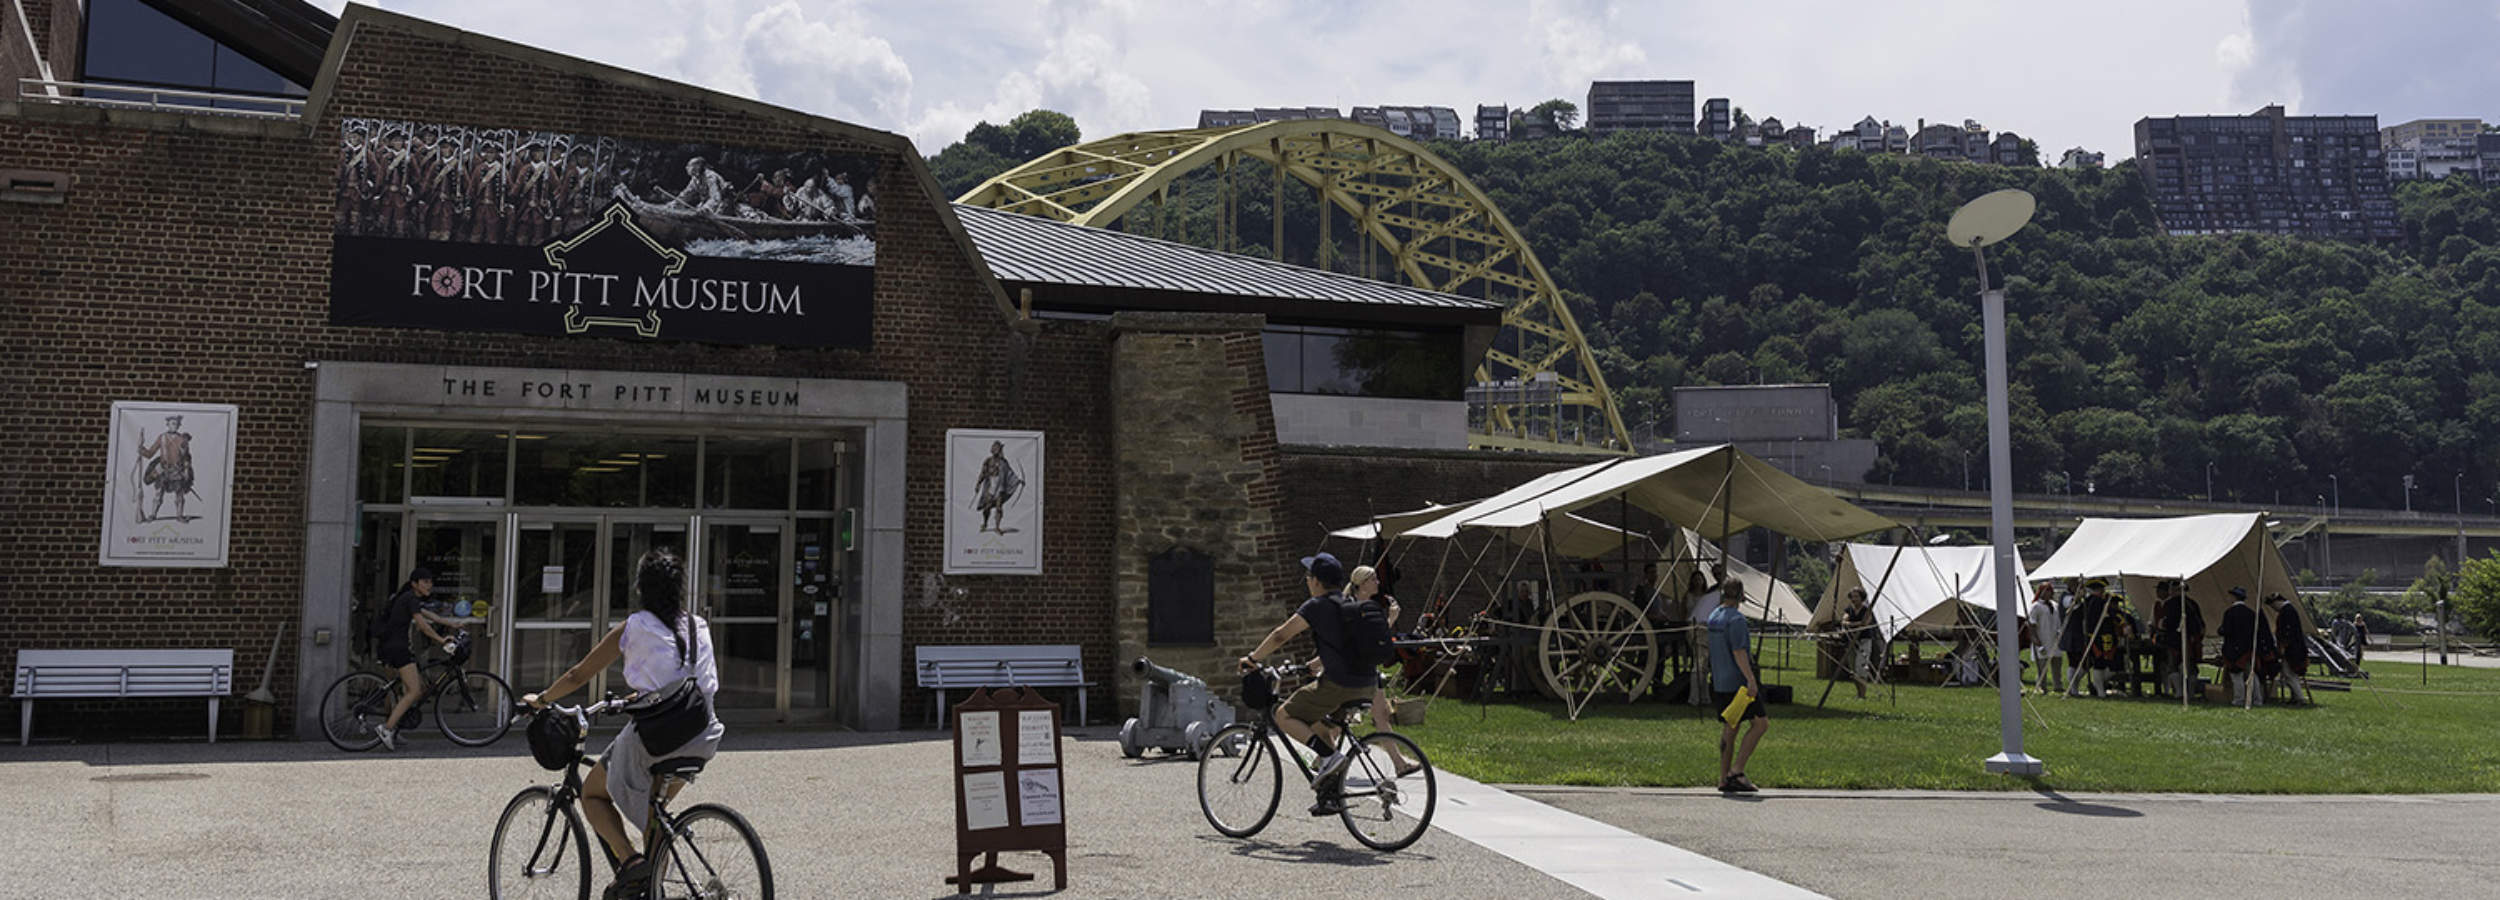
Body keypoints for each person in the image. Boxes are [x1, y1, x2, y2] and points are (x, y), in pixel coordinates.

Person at [525, 548, 723, 898]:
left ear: (641, 588)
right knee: (654, 815)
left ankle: (631, 864)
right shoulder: (699, 625)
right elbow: (687, 682)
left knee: (593, 794)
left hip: (660, 736)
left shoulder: (634, 627)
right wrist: (638, 698)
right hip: (703, 734)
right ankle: (652, 889)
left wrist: (540, 700)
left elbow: (577, 675)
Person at [1240, 552, 1375, 815]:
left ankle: (1330, 758)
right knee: (1320, 727)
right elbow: (1346, 645)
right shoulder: (1348, 602)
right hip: (1366, 682)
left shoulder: (1316, 606)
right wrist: (1320, 661)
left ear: (1315, 581)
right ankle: (1331, 796)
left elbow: (1281, 635)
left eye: (1308, 576)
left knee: (1284, 714)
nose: (1306, 581)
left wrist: (1252, 658)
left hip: (1340, 684)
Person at [1335, 566, 1420, 776]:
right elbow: (1373, 639)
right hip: (1356, 672)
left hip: (1366, 669)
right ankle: (1322, 758)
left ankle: (1399, 764)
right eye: (1374, 579)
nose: (1378, 583)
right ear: (1363, 583)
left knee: (1379, 716)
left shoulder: (1364, 605)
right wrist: (1391, 619)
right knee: (1340, 719)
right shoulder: (1355, 607)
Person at [373, 566, 459, 751]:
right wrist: (441, 640)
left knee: (394, 689)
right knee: (414, 691)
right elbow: (423, 626)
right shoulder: (410, 598)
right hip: (398, 649)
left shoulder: (407, 598)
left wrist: (452, 624)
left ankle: (393, 727)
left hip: (388, 647)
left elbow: (431, 616)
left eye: (431, 582)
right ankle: (386, 728)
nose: (430, 585)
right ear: (414, 584)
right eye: (425, 582)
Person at [1707, 581, 1767, 793]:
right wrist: (1751, 679)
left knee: (1730, 728)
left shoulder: (1714, 616)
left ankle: (1723, 778)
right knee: (1760, 724)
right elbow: (1739, 652)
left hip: (1720, 681)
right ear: (1742, 595)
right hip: (1738, 683)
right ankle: (1737, 771)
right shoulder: (1737, 620)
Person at [134, 414, 197, 523]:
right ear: (168, 424)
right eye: (172, 423)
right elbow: (150, 453)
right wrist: (141, 450)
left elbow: (186, 457)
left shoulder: (182, 439)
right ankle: (153, 515)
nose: (175, 426)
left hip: (178, 470)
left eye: (177, 424)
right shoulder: (162, 437)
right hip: (163, 468)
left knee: (179, 494)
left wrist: (186, 470)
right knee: (158, 493)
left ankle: (179, 516)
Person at [2063, 579, 2109, 697]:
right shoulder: (2098, 601)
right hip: (2097, 637)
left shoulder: (2087, 601)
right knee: (2098, 664)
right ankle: (2100, 692)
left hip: (2088, 636)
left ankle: (2075, 687)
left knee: (2086, 665)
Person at [2218, 587, 2260, 706]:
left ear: (2233, 597)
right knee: (2252, 675)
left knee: (2236, 676)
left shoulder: (2230, 613)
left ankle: (2239, 699)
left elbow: (2227, 630)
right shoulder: (2251, 613)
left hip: (2234, 649)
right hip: (2248, 648)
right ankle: (2257, 699)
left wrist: (2220, 630)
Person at [2272, 595, 2311, 705]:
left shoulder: (2287, 611)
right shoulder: (2288, 610)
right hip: (2293, 649)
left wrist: (2283, 647)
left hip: (2292, 650)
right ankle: (2295, 697)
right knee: (2290, 674)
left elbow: (2287, 633)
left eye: (2273, 604)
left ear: (2278, 601)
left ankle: (2300, 698)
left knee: (2289, 673)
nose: (2273, 608)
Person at [2028, 583, 2064, 695]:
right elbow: (2031, 625)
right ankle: (2041, 687)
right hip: (2043, 639)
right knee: (2042, 667)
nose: (2049, 593)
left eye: (2050, 591)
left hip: (2055, 640)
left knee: (2057, 664)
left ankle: (2058, 686)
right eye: (2047, 590)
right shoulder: (2036, 606)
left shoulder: (2055, 605)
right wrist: (2037, 643)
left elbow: (2058, 621)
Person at [1840, 587, 1875, 698]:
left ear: (1862, 598)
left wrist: (1851, 624)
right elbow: (1844, 621)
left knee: (1861, 668)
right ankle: (1858, 694)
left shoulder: (1866, 610)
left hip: (1864, 640)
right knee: (1853, 670)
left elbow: (1865, 623)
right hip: (1851, 641)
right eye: (1852, 597)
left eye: (1856, 597)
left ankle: (1863, 694)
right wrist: (1855, 624)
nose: (1854, 599)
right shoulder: (1849, 609)